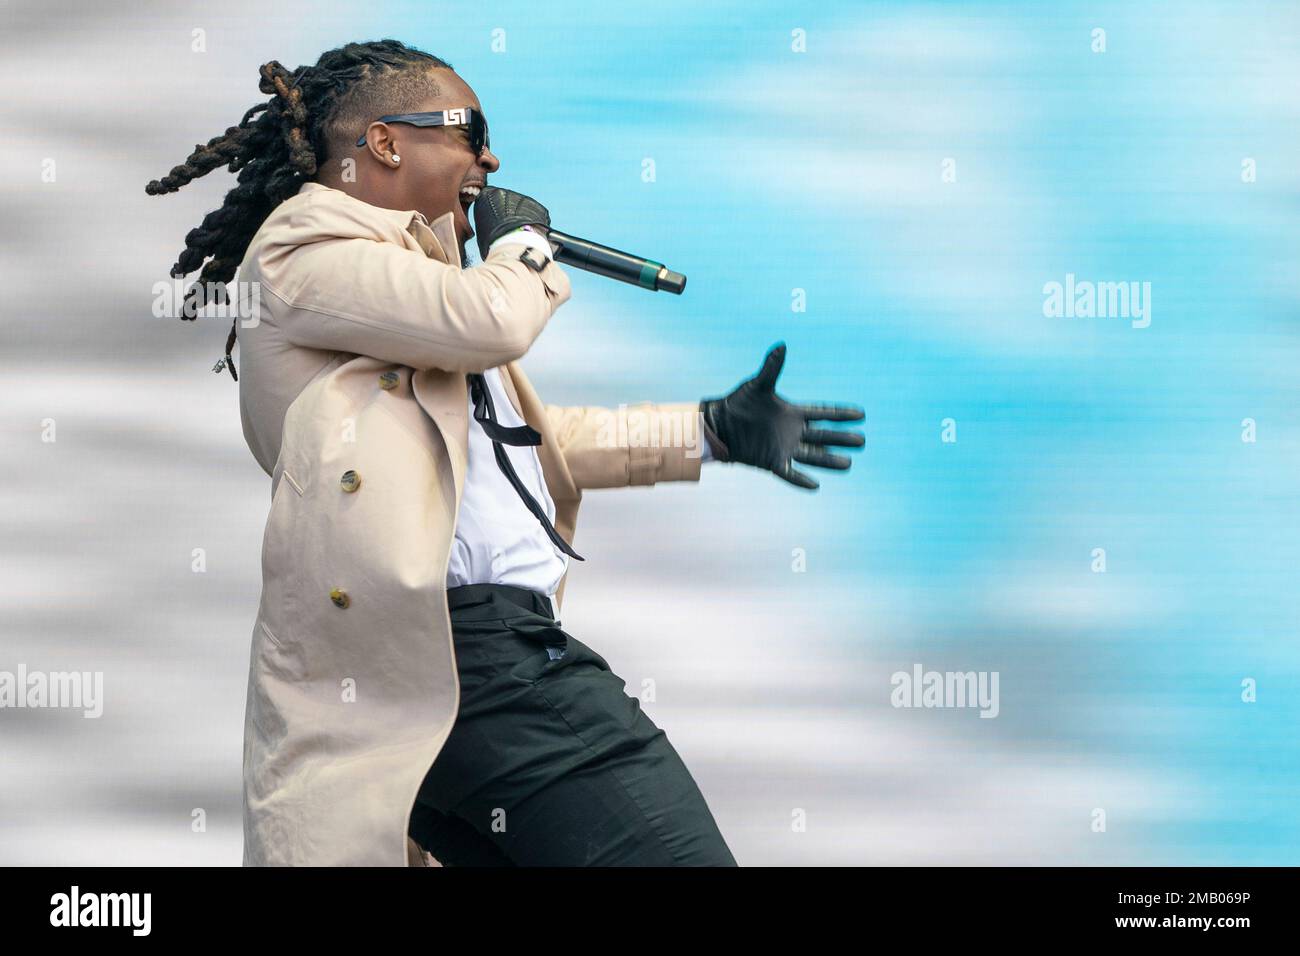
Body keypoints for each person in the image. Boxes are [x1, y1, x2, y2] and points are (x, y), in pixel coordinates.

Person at [146, 39, 865, 866]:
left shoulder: (405, 295)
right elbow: (492, 320)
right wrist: (520, 244)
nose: (490, 157)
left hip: (481, 663)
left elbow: (529, 448)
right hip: (473, 656)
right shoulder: (307, 250)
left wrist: (708, 429)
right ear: (384, 143)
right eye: (469, 131)